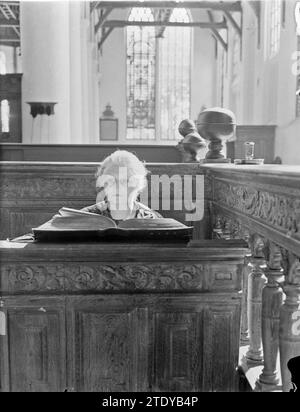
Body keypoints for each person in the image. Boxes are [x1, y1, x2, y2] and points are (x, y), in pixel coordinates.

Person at [81, 150, 162, 222]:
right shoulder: (84, 217)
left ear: (137, 184)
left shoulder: (153, 220)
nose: (116, 187)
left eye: (123, 181)